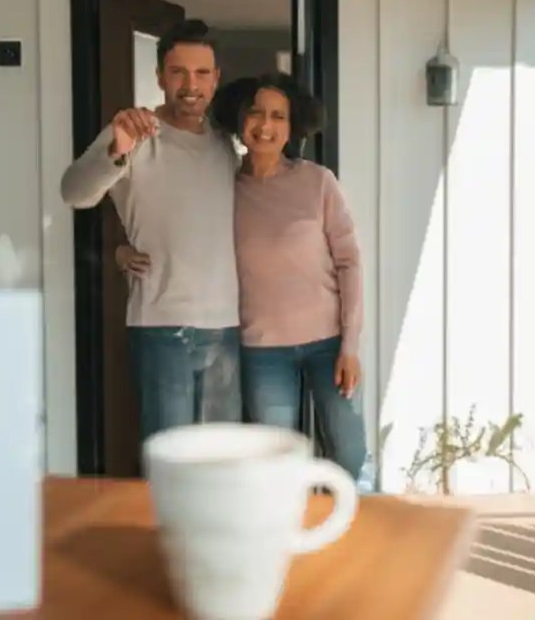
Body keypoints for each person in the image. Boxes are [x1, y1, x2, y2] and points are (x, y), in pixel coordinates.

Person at [117, 73, 369, 485]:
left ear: (293, 126)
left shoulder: (317, 182)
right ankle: (289, 535)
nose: (265, 126)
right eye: (255, 113)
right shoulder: (223, 186)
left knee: (349, 450)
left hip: (329, 345)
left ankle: (352, 531)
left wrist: (350, 344)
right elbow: (170, 223)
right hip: (261, 350)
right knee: (277, 459)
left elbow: (350, 263)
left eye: (278, 116)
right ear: (239, 120)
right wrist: (121, 249)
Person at [60, 19, 241, 443]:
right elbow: (74, 192)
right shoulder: (134, 134)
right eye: (178, 72)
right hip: (161, 326)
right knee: (169, 461)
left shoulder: (227, 144)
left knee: (222, 460)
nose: (190, 85)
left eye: (201, 73)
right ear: (160, 76)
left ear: (216, 79)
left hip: (227, 327)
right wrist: (116, 150)